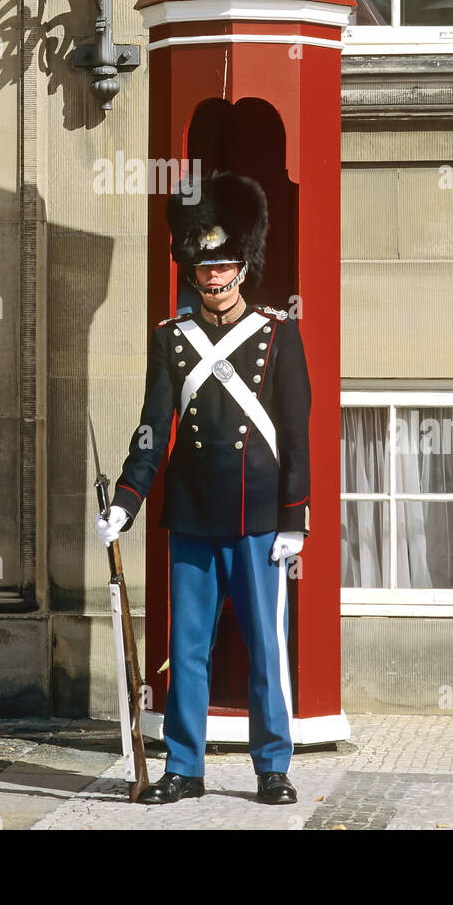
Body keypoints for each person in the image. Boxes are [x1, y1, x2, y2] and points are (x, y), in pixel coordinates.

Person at [95, 170, 311, 805]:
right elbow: (152, 426)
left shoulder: (277, 335)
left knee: (267, 651)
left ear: (242, 265)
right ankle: (185, 766)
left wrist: (296, 516)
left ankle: (273, 765)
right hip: (190, 515)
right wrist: (127, 500)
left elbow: (297, 433)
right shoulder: (171, 340)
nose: (213, 277)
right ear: (191, 269)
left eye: (223, 264)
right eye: (203, 266)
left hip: (257, 517)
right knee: (186, 651)